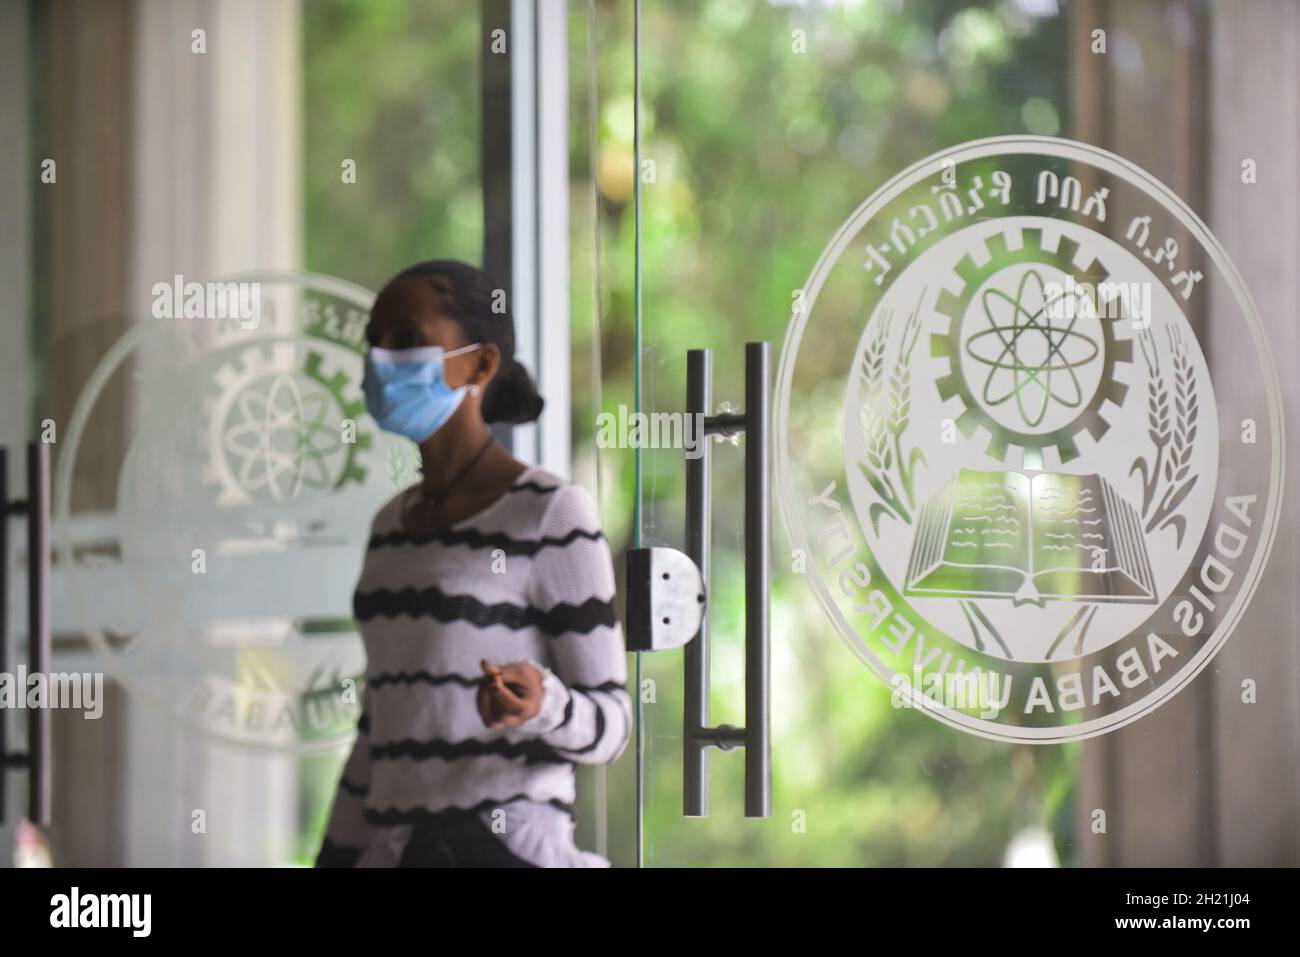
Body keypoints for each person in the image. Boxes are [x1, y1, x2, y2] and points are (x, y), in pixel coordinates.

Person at [315, 260, 631, 867]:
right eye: (372, 342)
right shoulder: (390, 525)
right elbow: (383, 724)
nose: (380, 359)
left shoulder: (550, 513)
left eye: (405, 339)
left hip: (504, 851)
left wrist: (543, 705)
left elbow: (612, 725)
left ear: (481, 364)